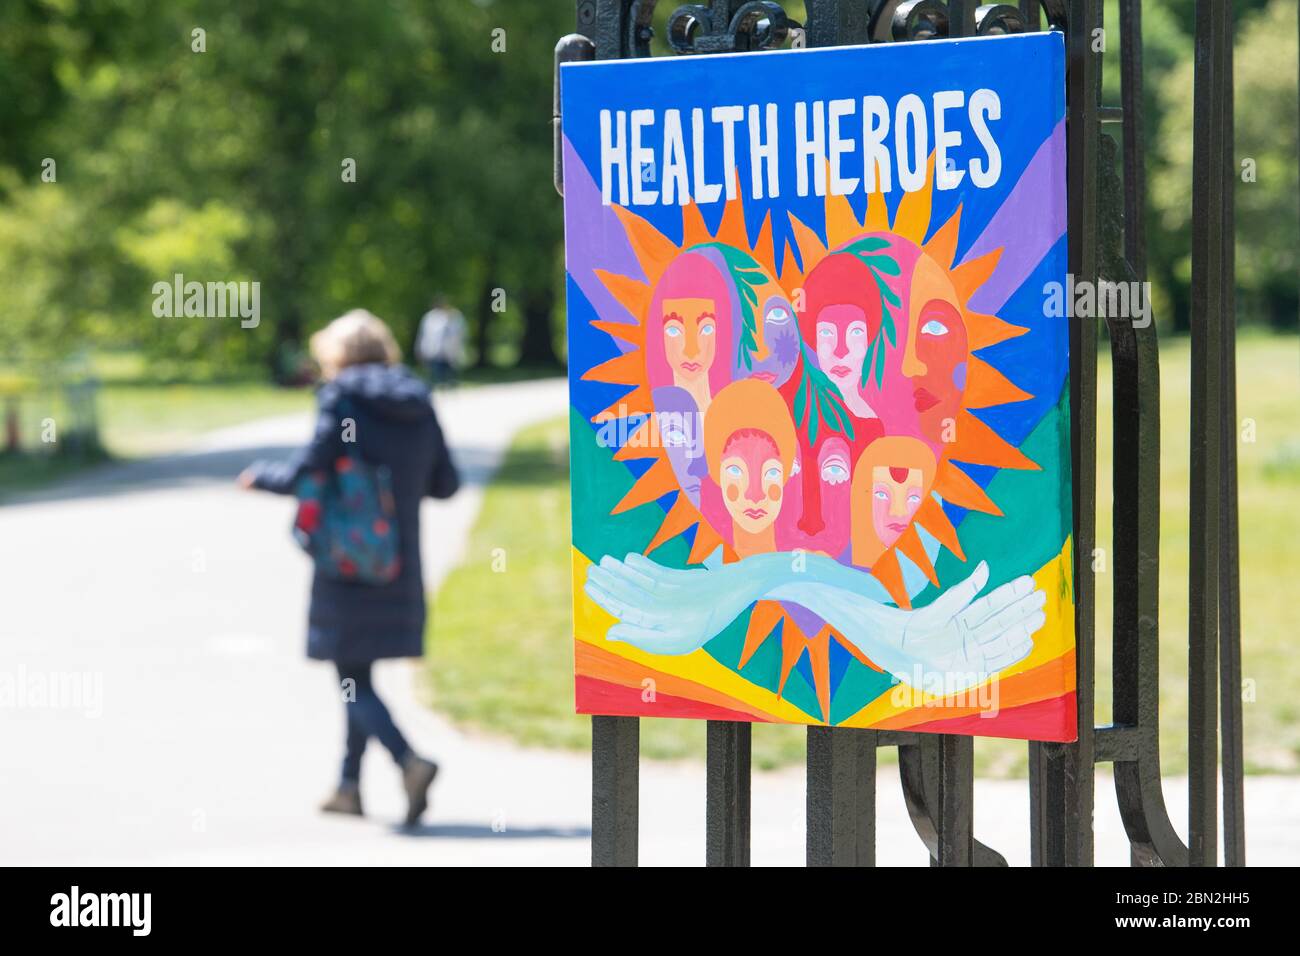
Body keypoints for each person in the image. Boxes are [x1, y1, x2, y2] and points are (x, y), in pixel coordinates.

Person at [238, 309, 460, 825]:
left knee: (350, 673)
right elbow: (446, 483)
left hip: (347, 559)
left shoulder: (342, 399)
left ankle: (409, 760)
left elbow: (308, 468)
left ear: (335, 355)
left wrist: (258, 477)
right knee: (357, 669)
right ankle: (348, 787)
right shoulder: (418, 400)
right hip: (399, 559)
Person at [415, 294, 466, 389]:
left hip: (449, 352)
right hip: (433, 351)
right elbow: (423, 335)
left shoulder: (453, 315)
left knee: (450, 376)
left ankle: (450, 390)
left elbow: (459, 333)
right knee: (434, 375)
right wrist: (420, 349)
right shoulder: (429, 317)